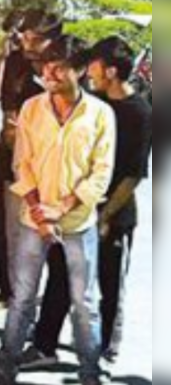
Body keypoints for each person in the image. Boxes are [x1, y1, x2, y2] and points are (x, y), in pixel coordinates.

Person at [0, 36, 117, 385]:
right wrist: (38, 209)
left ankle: (89, 373)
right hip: (33, 219)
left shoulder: (99, 114)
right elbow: (23, 163)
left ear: (80, 69)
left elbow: (102, 172)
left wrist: (61, 208)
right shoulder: (32, 109)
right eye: (46, 65)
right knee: (22, 297)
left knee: (85, 301)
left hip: (77, 221)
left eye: (60, 65)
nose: (49, 72)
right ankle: (7, 364)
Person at [32, 37, 153, 366]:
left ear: (110, 71)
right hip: (77, 208)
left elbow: (133, 174)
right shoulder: (94, 102)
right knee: (60, 274)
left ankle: (103, 352)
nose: (90, 69)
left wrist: (106, 216)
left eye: (95, 63)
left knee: (109, 285)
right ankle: (44, 344)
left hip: (115, 214)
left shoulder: (140, 113)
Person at [0, 10, 62, 313]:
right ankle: (7, 289)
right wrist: (2, 60)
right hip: (8, 156)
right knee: (3, 227)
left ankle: (27, 299)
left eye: (36, 38)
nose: (28, 43)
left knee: (32, 236)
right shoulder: (15, 60)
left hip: (40, 165)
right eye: (25, 35)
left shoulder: (58, 71)